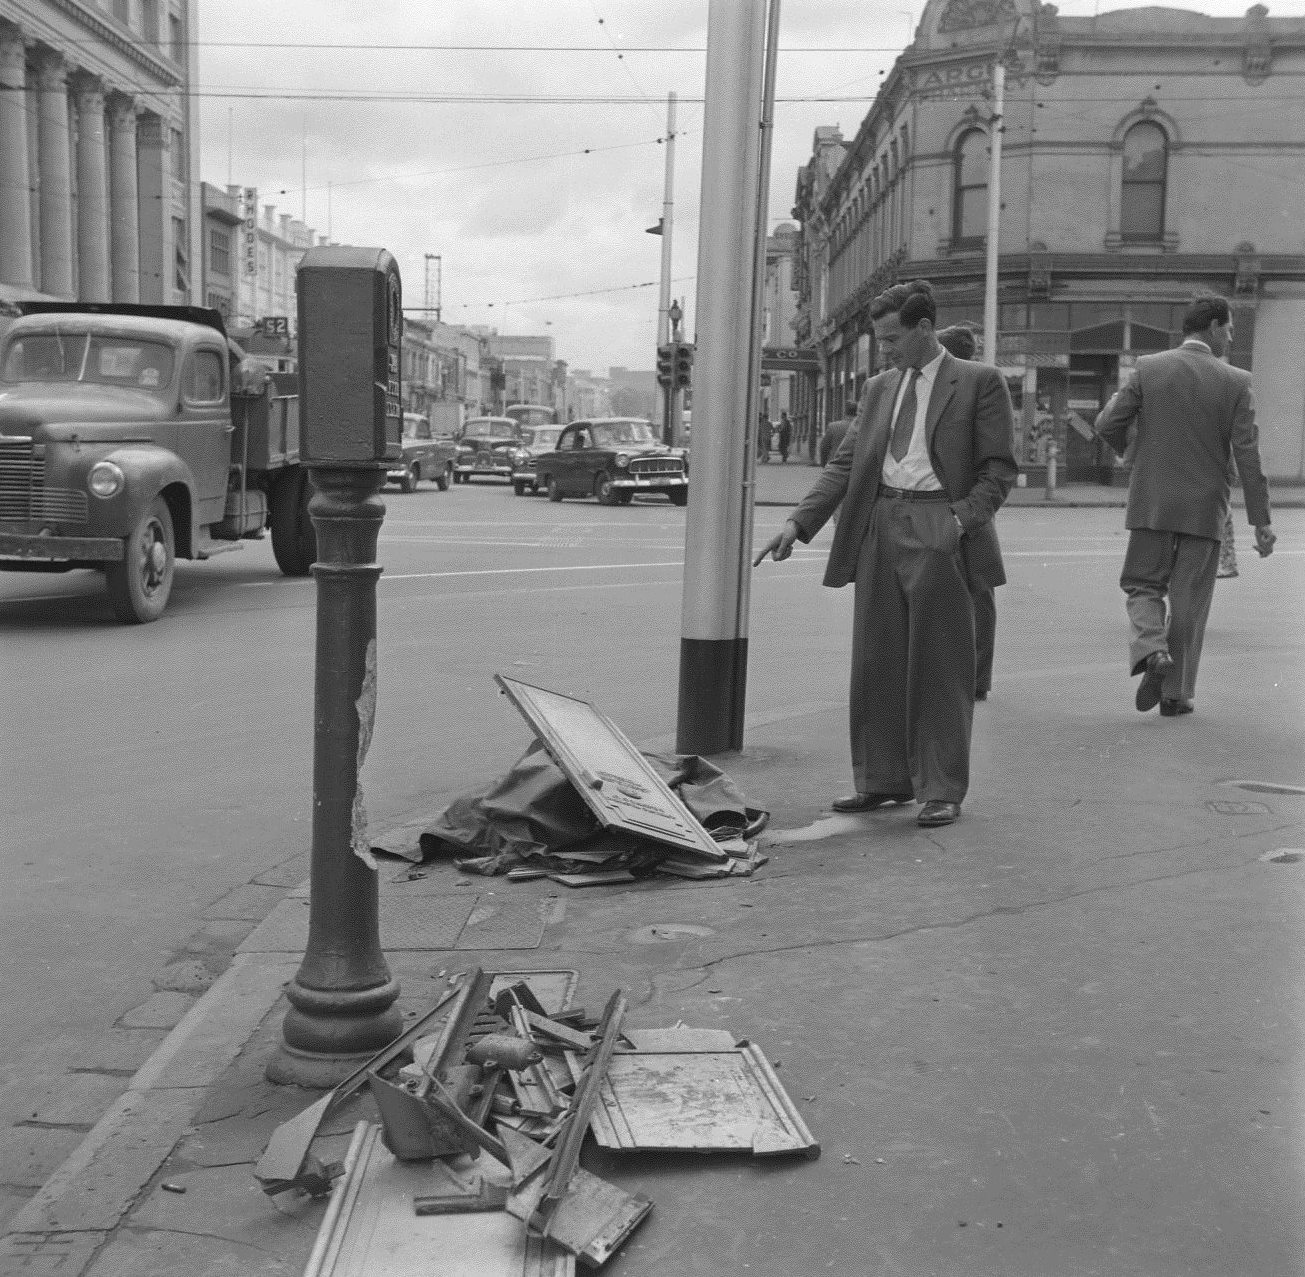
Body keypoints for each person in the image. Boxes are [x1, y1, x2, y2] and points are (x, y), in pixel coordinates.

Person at [754, 280, 1017, 828]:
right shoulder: (879, 388)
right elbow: (846, 466)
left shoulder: (979, 383)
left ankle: (942, 786)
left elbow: (998, 470)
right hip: (880, 524)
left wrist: (958, 521)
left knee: (943, 665)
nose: (884, 349)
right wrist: (797, 523)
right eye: (879, 339)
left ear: (925, 328)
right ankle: (881, 781)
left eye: (893, 337)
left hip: (940, 523)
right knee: (876, 661)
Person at [1094, 293, 1274, 716]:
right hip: (1204, 509)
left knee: (1142, 584)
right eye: (1228, 328)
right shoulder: (1236, 380)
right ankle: (1176, 696)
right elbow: (1248, 454)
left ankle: (1152, 650)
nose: (1230, 336)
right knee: (1190, 601)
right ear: (1212, 326)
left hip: (1152, 501)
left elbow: (1107, 424)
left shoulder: (1148, 368)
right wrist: (1261, 521)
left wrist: (1128, 452)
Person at [935, 325, 1000, 700]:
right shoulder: (975, 390)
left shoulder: (973, 390)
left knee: (973, 596)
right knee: (980, 598)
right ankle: (976, 678)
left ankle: (970, 678)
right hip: (975, 512)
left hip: (965, 512)